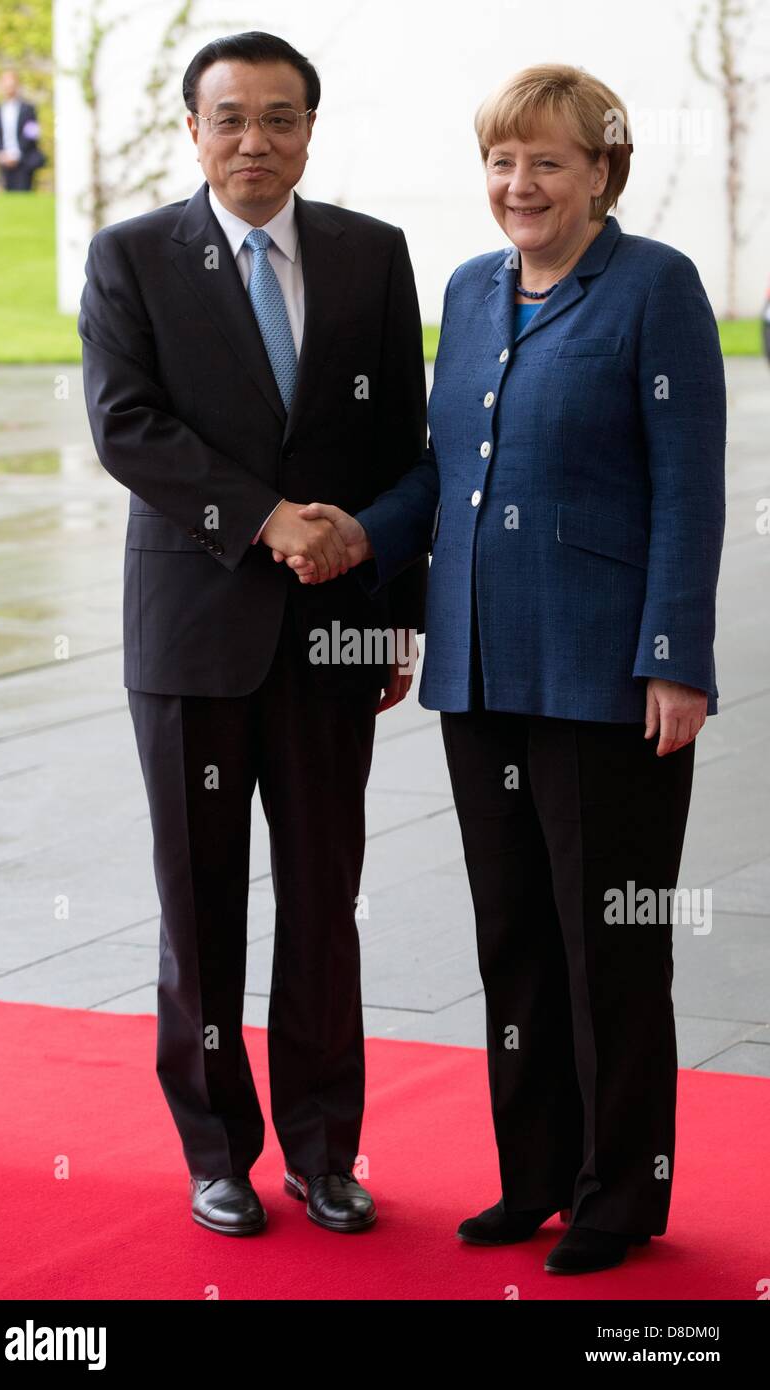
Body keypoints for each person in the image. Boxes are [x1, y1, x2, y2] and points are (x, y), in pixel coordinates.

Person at [283, 63, 727, 1275]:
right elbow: (447, 472)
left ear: (598, 172)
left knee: (606, 943)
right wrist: (366, 541)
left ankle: (617, 1195)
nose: (517, 184)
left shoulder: (655, 289)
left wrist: (673, 659)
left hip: (603, 677)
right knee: (513, 939)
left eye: (544, 162)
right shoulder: (474, 292)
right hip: (480, 671)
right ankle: (532, 1174)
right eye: (499, 161)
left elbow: (690, 490)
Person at [78, 31, 427, 1237]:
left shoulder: (370, 255)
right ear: (193, 129)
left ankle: (326, 1150)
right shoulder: (132, 258)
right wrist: (265, 517)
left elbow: (402, 453)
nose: (254, 142)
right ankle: (216, 1149)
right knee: (200, 902)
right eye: (230, 118)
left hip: (334, 634)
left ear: (310, 130)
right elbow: (127, 428)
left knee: (326, 899)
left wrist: (391, 616)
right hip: (189, 631)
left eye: (279, 118)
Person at [0, 69, 45, 191]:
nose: (8, 88)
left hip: (24, 160)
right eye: (5, 85)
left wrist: (16, 154)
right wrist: (2, 153)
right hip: (4, 160)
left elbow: (32, 134)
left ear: (17, 85)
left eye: (11, 85)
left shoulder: (28, 109)